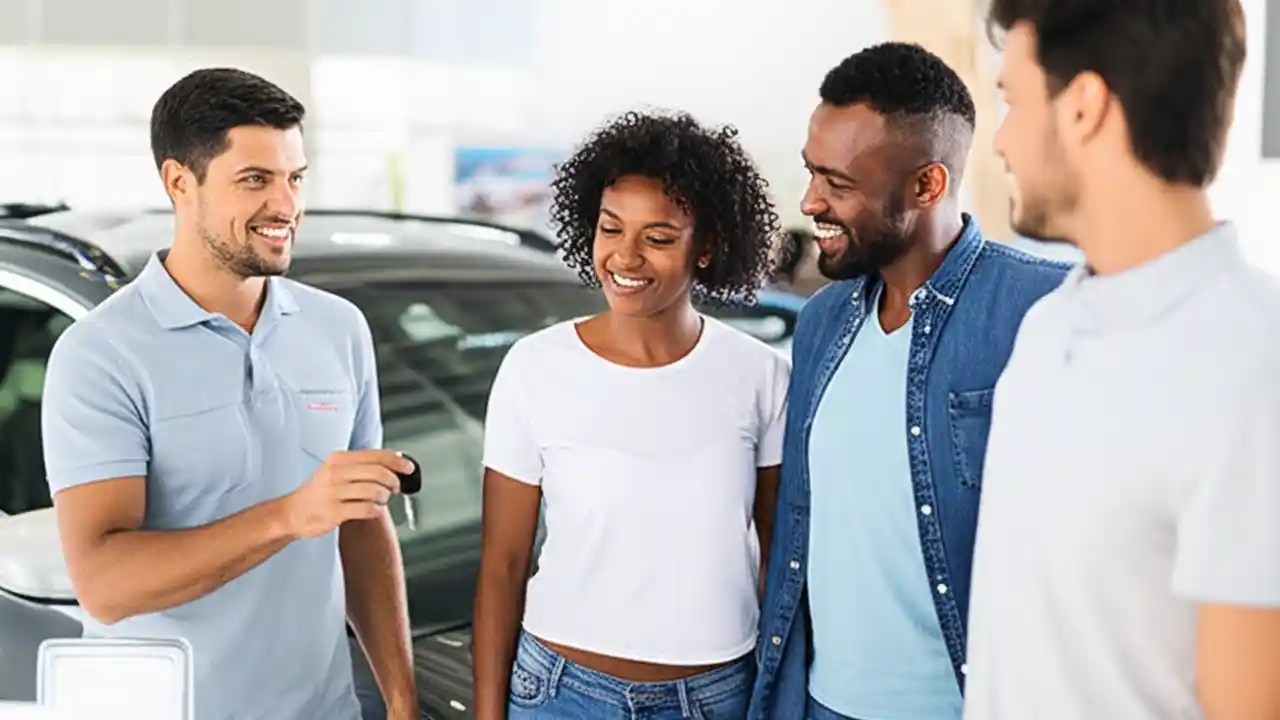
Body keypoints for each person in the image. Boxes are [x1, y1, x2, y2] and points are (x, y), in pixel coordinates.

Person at [40, 68, 418, 720]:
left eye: (295, 178)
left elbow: (359, 526)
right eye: (255, 180)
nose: (286, 205)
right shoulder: (100, 355)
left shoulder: (338, 330)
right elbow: (103, 585)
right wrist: (290, 515)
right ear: (179, 182)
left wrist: (403, 703)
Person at [966, 2, 1276, 718]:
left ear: (1084, 108)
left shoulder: (1252, 370)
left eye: (1012, 101)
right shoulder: (1047, 329)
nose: (1003, 141)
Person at [748, 43, 1072, 720]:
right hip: (816, 705)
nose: (810, 201)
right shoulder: (822, 322)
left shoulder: (1050, 313)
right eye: (811, 172)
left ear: (927, 185)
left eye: (837, 182)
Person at [473, 109, 788, 720]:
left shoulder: (760, 374)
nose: (626, 256)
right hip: (559, 694)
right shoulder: (533, 368)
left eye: (659, 238)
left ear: (707, 247)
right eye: (611, 229)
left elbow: (779, 563)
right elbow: (502, 567)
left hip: (718, 696)